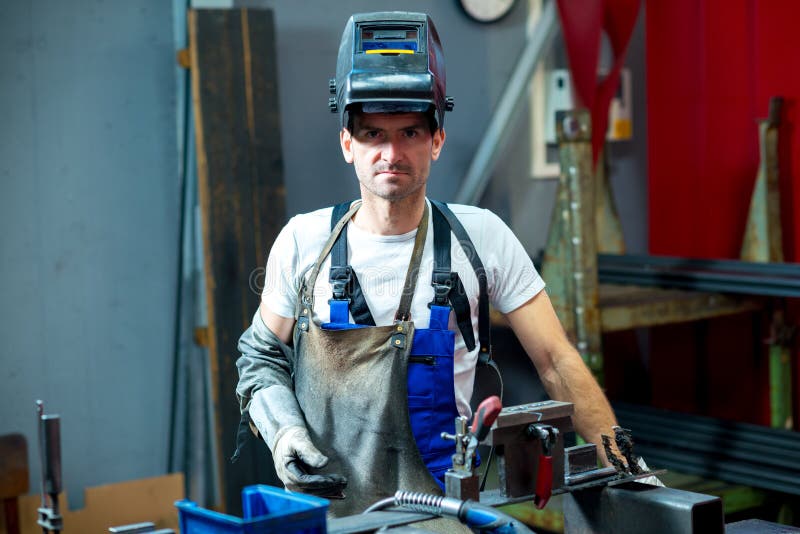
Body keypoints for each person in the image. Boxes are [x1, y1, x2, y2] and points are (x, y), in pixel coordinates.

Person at [235, 11, 625, 517]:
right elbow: (260, 357)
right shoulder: (305, 242)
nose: (390, 153)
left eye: (410, 133)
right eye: (373, 134)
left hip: (444, 513)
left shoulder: (479, 237)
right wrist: (283, 429)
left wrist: (624, 470)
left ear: (436, 141)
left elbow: (556, 359)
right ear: (347, 144)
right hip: (326, 516)